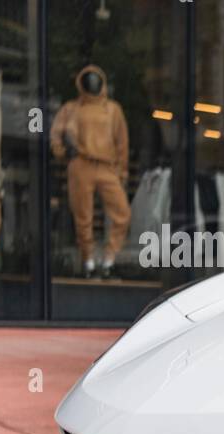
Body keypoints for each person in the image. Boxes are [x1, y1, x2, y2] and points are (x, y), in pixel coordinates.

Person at [50, 64, 130, 278]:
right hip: (81, 165)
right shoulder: (71, 108)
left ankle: (109, 259)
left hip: (106, 165)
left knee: (122, 213)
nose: (92, 83)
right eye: (88, 80)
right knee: (82, 216)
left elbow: (122, 142)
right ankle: (88, 262)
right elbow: (55, 134)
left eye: (96, 79)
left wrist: (122, 170)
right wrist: (64, 152)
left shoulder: (113, 109)